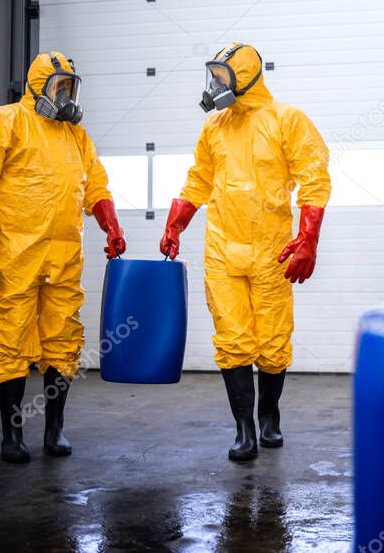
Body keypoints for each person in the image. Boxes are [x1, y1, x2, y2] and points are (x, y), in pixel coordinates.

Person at [0, 51, 126, 463]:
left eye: (70, 87)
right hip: (16, 256)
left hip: (64, 259)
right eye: (58, 86)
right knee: (12, 341)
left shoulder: (77, 137)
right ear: (37, 86)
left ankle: (54, 431)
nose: (65, 95)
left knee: (63, 342)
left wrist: (112, 226)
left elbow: (97, 188)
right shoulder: (5, 122)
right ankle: (11, 437)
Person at [160, 42, 331, 461]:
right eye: (213, 78)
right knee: (232, 340)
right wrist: (176, 221)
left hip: (272, 251)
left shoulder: (286, 120)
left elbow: (314, 177)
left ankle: (269, 415)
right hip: (223, 250)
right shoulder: (213, 128)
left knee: (272, 343)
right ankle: (244, 429)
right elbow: (198, 179)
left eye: (222, 78)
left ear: (245, 77)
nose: (215, 85)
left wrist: (308, 237)